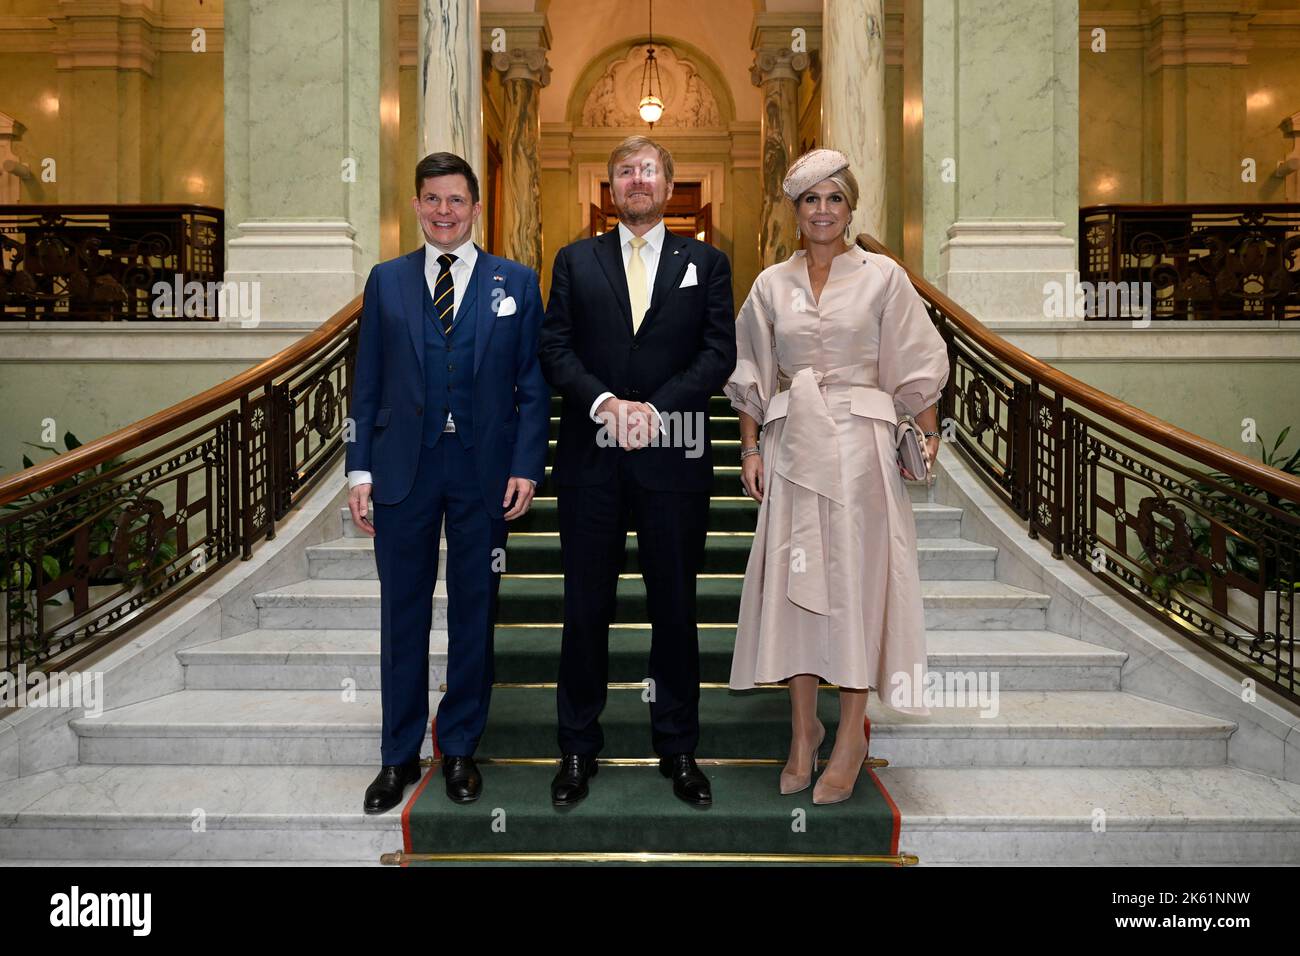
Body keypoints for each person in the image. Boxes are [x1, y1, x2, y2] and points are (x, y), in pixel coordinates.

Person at [725, 148, 950, 805]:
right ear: (795, 212)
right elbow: (752, 375)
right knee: (798, 590)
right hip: (794, 446)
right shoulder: (770, 284)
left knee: (855, 589)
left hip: (862, 447)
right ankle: (804, 733)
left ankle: (850, 733)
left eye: (835, 199)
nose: (823, 211)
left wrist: (929, 436)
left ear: (851, 208)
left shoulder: (883, 278)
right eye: (811, 200)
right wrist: (749, 449)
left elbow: (914, 363)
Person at [346, 151, 549, 812]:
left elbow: (532, 386)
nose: (443, 211)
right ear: (416, 205)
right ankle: (397, 755)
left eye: (455, 200)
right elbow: (366, 383)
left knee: (473, 612)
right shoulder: (387, 281)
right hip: (404, 470)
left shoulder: (515, 282)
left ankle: (459, 745)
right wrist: (359, 466)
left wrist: (525, 464)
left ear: (476, 207)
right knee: (401, 616)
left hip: (482, 471)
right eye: (432, 199)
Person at [538, 135, 737, 806]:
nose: (637, 180)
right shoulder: (573, 260)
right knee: (584, 610)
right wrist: (602, 403)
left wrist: (653, 409)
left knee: (675, 611)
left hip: (674, 458)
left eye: (648, 170)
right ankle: (575, 748)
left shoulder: (706, 262)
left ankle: (679, 748)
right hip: (591, 462)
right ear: (611, 187)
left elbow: (718, 355)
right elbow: (555, 347)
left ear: (668, 184)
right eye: (625, 171)